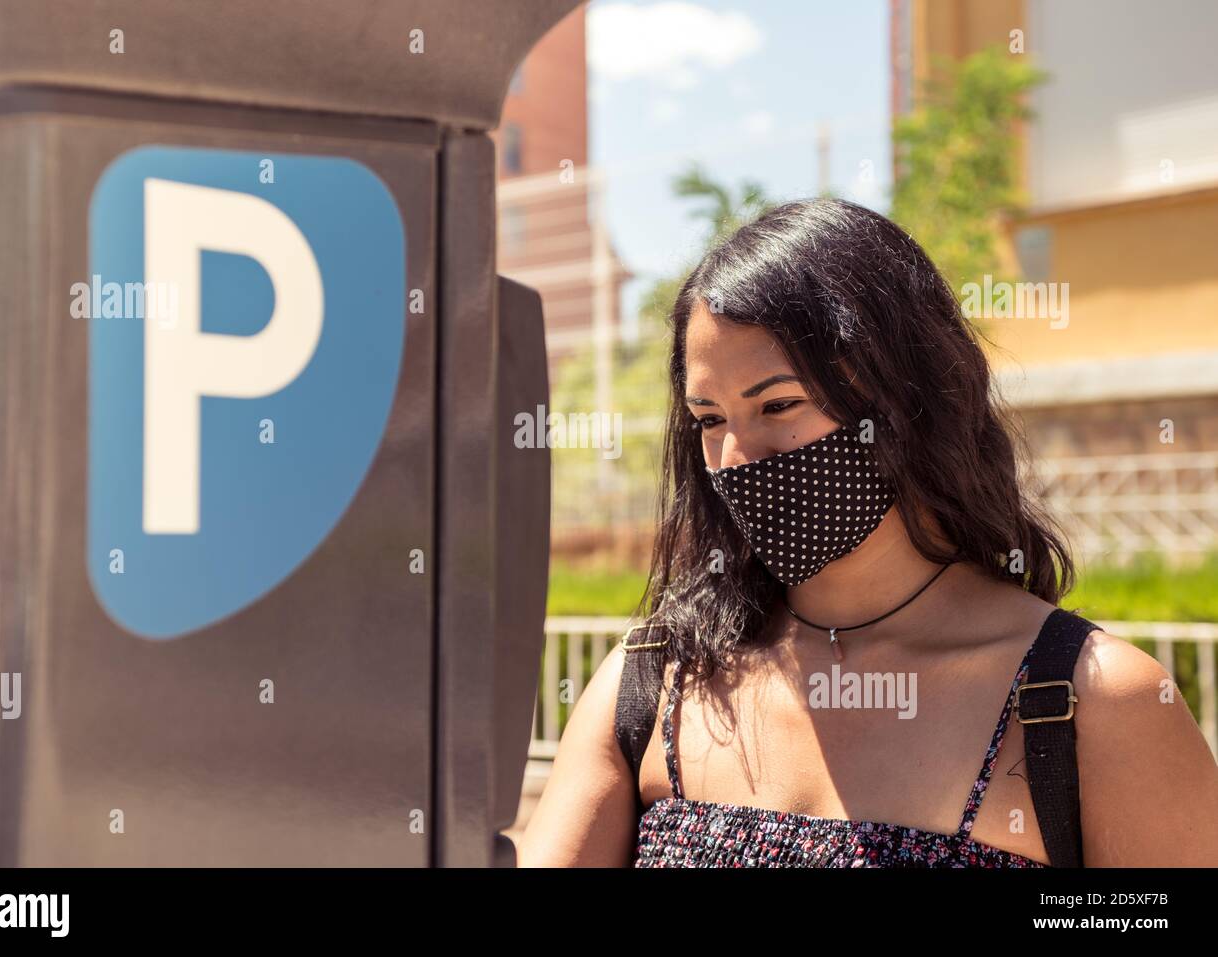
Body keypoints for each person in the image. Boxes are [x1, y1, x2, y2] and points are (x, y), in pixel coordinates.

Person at [517, 198, 1218, 867]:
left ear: (907, 402)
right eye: (709, 418)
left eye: (779, 404)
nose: (734, 456)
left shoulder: (1093, 703)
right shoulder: (651, 683)